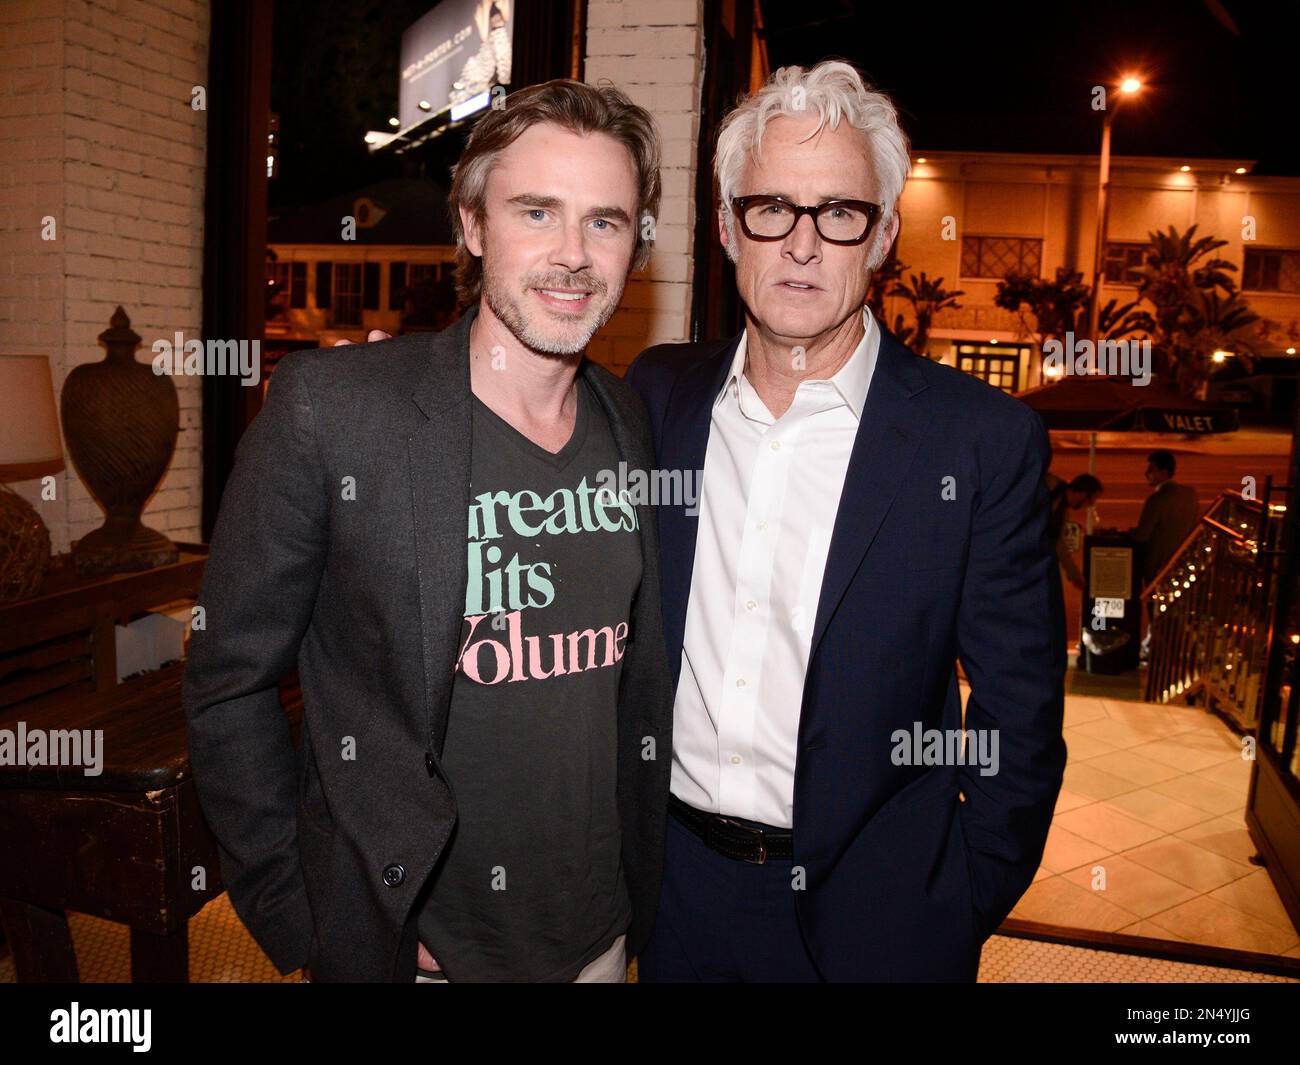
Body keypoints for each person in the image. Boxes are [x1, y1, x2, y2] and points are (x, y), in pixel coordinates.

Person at [182, 80, 674, 983]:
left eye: (605, 222)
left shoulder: (629, 422)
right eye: (537, 212)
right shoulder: (334, 412)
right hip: (419, 952)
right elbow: (228, 680)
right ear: (473, 225)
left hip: (600, 936)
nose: (573, 256)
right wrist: (306, 916)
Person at [626, 61, 1066, 982]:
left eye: (840, 213)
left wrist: (962, 900)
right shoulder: (655, 400)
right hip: (673, 898)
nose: (801, 244)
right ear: (724, 227)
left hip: (883, 918)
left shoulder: (980, 440)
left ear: (884, 238)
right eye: (771, 208)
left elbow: (1018, 712)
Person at [1133, 449, 1200, 586]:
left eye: (1151, 469)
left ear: (1163, 473)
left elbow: (1143, 535)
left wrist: (1130, 533)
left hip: (1159, 565)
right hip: (1183, 562)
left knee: (1155, 604)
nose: (1147, 474)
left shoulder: (1157, 499)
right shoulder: (1190, 495)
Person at [1045, 472, 1103, 590]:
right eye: (1091, 500)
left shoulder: (1062, 511)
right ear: (1083, 494)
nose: (1090, 505)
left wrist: (1074, 574)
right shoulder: (1051, 486)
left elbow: (1058, 543)